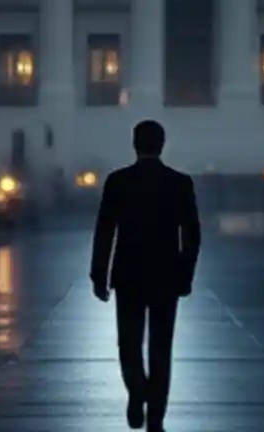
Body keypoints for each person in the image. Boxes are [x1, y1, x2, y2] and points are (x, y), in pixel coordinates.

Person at [90, 120, 202, 432]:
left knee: (129, 343)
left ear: (135, 144)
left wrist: (99, 274)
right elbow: (192, 235)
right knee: (161, 349)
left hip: (128, 276)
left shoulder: (117, 182)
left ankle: (137, 390)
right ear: (162, 144)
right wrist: (185, 275)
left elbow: (105, 231)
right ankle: (156, 418)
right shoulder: (180, 183)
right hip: (166, 277)